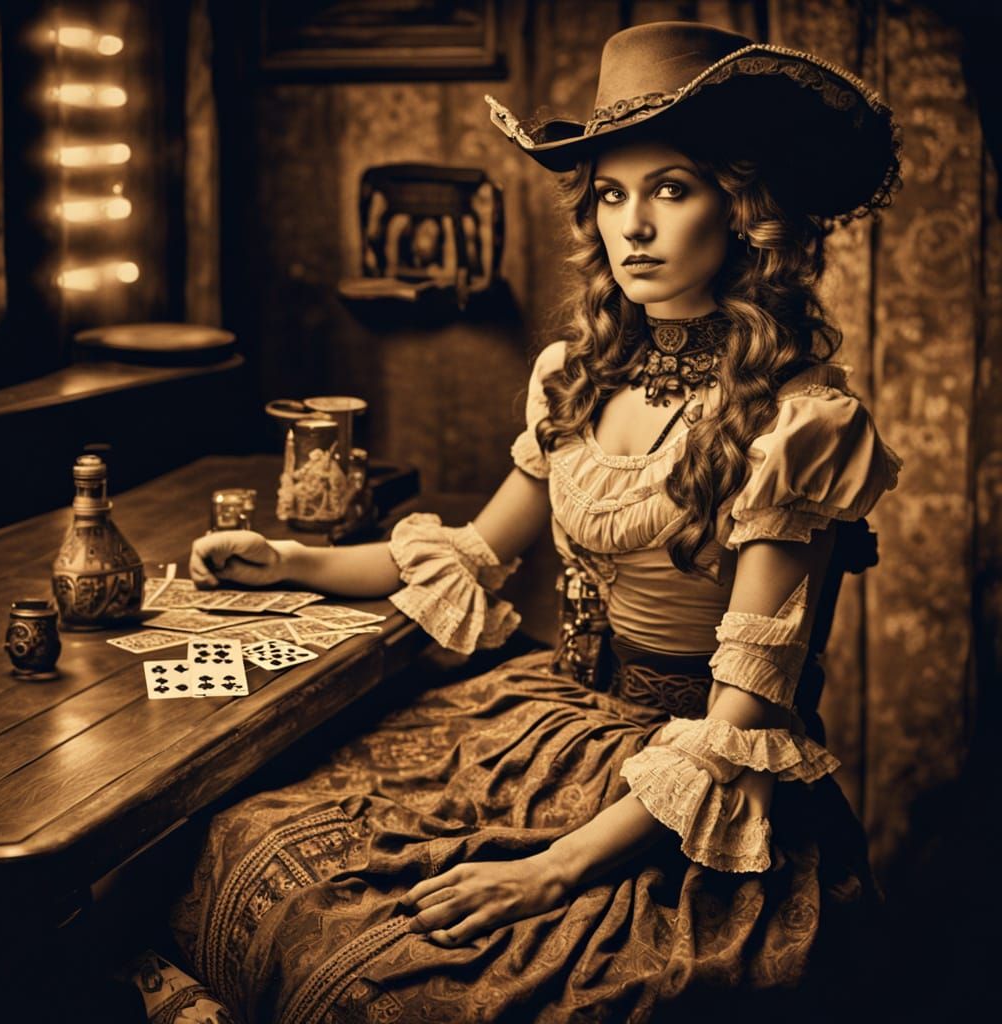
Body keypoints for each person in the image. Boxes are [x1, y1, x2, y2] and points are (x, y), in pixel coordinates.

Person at [171, 21, 902, 1023]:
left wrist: (551, 873)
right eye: (610, 194)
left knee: (436, 989)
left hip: (690, 778)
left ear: (740, 208)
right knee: (242, 838)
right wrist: (288, 558)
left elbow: (739, 729)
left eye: (671, 189)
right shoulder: (574, 375)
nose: (633, 226)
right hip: (552, 720)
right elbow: (476, 552)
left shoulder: (800, 422)